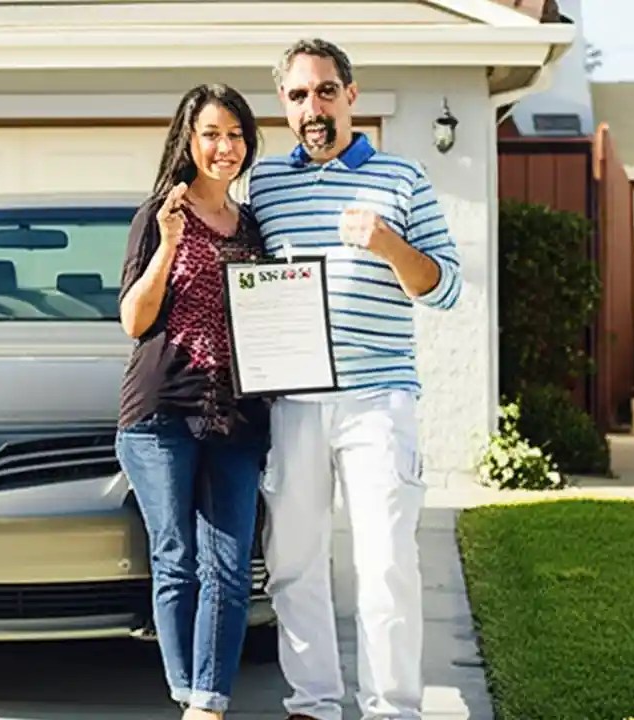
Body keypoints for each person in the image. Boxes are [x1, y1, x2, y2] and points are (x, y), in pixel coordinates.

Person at [249, 38, 463, 720]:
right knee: (294, 564)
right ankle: (313, 702)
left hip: (377, 401)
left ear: (351, 94)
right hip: (293, 404)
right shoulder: (266, 185)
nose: (313, 107)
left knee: (386, 565)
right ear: (284, 105)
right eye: (298, 95)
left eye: (325, 91)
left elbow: (447, 287)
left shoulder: (402, 178)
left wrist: (386, 242)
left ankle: (392, 708)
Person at [115, 83, 271, 720]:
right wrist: (171, 244)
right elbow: (133, 319)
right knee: (177, 558)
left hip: (236, 416)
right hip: (161, 416)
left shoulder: (253, 224)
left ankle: (204, 702)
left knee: (231, 566)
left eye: (235, 135)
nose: (224, 146)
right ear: (189, 139)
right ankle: (196, 701)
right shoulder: (158, 214)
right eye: (212, 133)